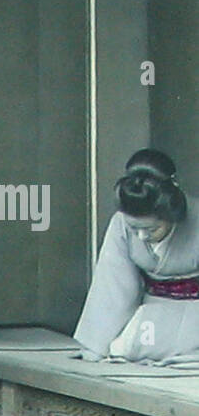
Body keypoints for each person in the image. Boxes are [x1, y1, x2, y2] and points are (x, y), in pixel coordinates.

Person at [74, 149, 199, 366]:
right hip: (151, 313)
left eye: (152, 229)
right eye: (135, 228)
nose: (141, 236)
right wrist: (96, 346)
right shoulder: (121, 223)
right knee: (123, 348)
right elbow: (113, 287)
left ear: (172, 214)